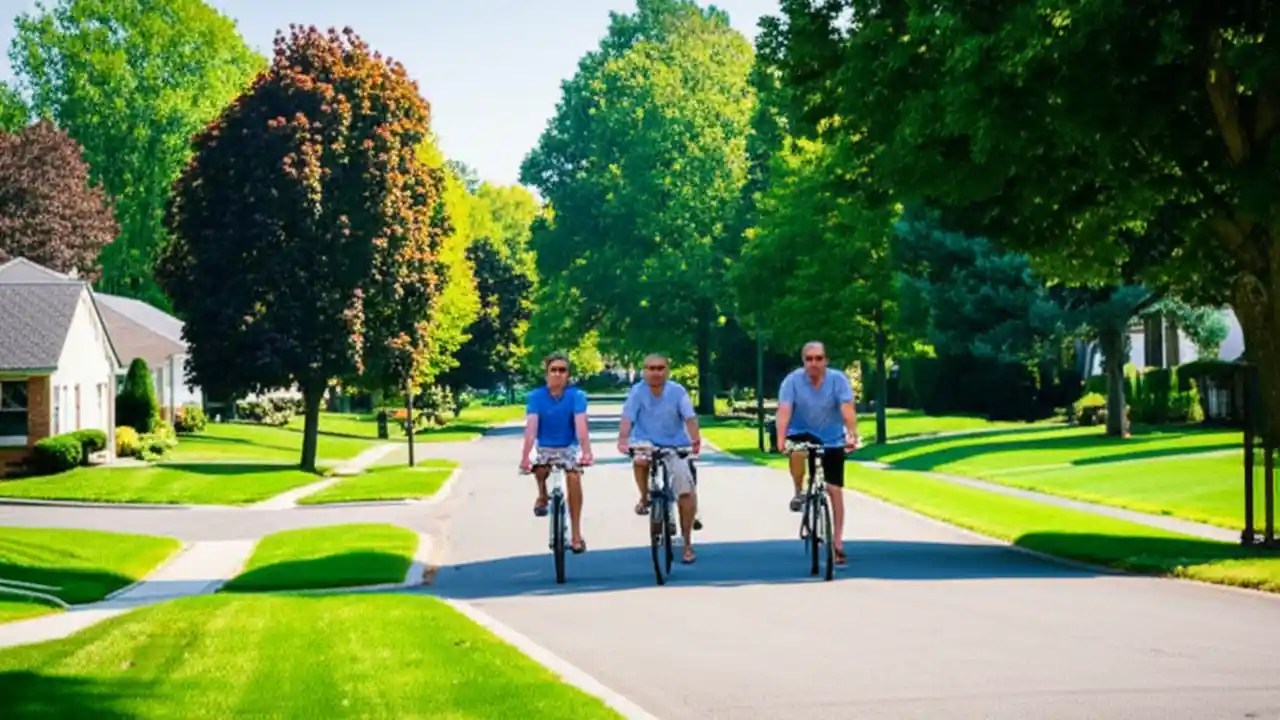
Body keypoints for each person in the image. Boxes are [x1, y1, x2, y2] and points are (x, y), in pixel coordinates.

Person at [774, 340, 860, 565]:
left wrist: (852, 435)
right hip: (800, 433)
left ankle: (838, 541)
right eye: (809, 359)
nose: (814, 363)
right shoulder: (792, 381)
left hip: (832, 438)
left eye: (819, 358)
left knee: (834, 489)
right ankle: (799, 490)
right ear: (803, 361)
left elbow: (847, 409)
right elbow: (784, 411)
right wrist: (781, 440)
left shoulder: (838, 380)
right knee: (797, 453)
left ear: (826, 360)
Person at [617, 353, 703, 564]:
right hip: (645, 442)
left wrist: (695, 440)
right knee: (639, 460)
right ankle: (644, 496)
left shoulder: (677, 391)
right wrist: (623, 439)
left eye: (660, 368)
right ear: (644, 371)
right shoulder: (637, 392)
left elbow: (689, 417)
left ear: (668, 370)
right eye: (651, 368)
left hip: (675, 444)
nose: (655, 372)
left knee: (685, 489)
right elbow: (627, 418)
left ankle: (687, 543)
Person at [520, 351, 593, 553]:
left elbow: (581, 425)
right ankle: (542, 495)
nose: (558, 374)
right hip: (545, 446)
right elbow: (531, 428)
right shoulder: (536, 397)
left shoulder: (576, 396)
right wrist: (525, 457)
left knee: (574, 476)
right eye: (554, 370)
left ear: (568, 375)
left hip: (568, 446)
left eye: (562, 370)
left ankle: (576, 534)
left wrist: (586, 452)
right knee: (540, 467)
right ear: (546, 374)